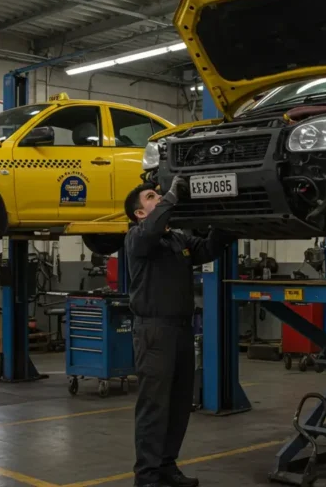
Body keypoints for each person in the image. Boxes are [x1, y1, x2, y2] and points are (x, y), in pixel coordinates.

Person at [124, 176, 228, 487]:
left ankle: (166, 466)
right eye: (151, 197)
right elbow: (153, 229)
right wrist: (172, 195)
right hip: (154, 331)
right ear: (139, 213)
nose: (159, 198)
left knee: (179, 405)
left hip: (181, 330)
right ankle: (147, 477)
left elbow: (208, 248)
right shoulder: (137, 237)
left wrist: (226, 214)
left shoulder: (177, 240)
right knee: (154, 406)